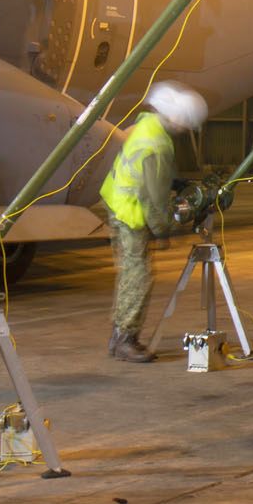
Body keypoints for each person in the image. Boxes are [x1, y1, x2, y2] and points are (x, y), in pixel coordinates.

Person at [100, 82, 209, 363]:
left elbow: (148, 175)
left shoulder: (146, 125)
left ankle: (119, 336)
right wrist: (163, 232)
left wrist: (173, 181)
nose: (185, 130)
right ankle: (125, 339)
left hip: (117, 203)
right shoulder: (158, 145)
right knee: (138, 277)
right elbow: (154, 199)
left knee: (131, 274)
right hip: (131, 212)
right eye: (186, 125)